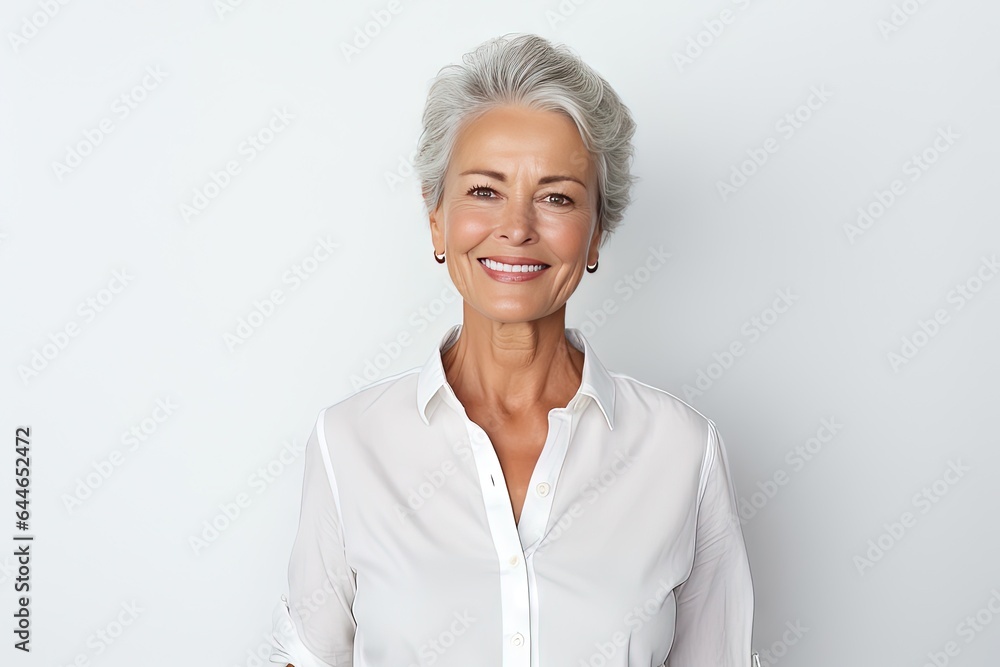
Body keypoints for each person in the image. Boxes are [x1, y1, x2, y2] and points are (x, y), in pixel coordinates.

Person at [268, 32, 756, 667]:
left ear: (596, 233)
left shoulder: (683, 451)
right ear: (437, 218)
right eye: (484, 191)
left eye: (557, 197)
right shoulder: (349, 443)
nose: (518, 228)